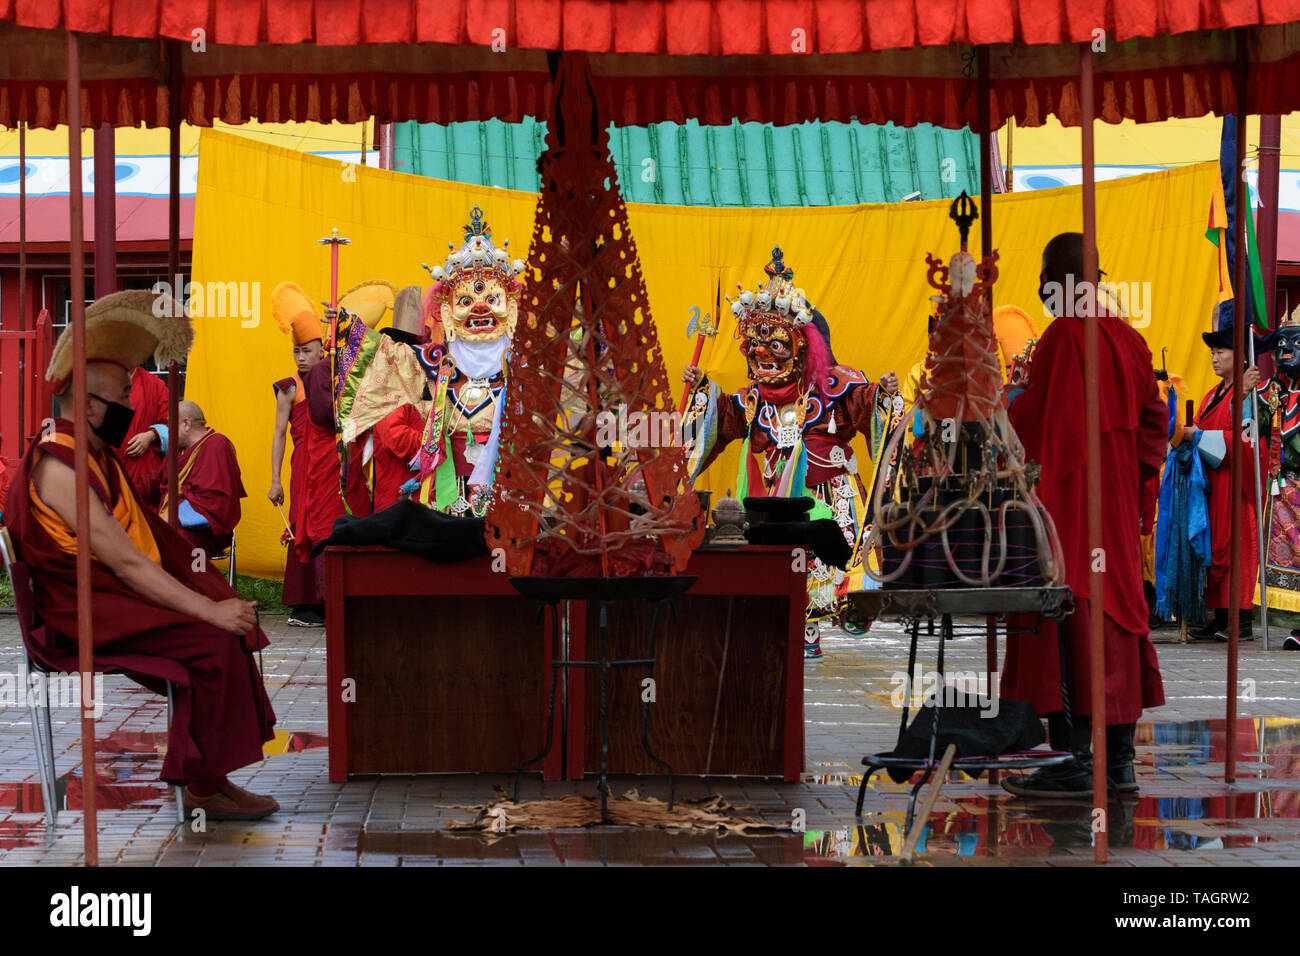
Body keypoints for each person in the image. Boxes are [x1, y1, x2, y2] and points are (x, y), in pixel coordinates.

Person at [5, 290, 277, 819]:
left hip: (101, 599)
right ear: (86, 405)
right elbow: (127, 561)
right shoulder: (60, 467)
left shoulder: (91, 456)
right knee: (213, 638)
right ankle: (204, 787)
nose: (131, 410)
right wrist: (210, 608)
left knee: (224, 633)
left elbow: (140, 546)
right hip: (76, 615)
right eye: (120, 399)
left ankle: (210, 779)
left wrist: (210, 597)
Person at [1000, 233, 1168, 798]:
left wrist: (1008, 402)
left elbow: (1030, 427)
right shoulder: (1131, 340)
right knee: (1119, 615)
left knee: (1070, 615)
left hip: (1068, 506)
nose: (1042, 290)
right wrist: (1126, 477)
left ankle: (1076, 759)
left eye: (1046, 278)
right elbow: (1155, 427)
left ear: (1059, 282)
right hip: (1113, 506)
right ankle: (1118, 763)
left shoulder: (1060, 339)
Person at [681, 246, 898, 659]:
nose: (762, 354)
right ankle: (794, 628)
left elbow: (869, 405)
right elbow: (724, 416)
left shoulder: (834, 385)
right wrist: (702, 392)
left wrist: (883, 394)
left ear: (800, 346)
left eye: (776, 346)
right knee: (780, 558)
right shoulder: (754, 398)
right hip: (774, 496)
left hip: (826, 493)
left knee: (823, 561)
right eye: (754, 347)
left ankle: (838, 612)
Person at [1191, 321, 1266, 641]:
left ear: (1241, 356)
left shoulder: (1251, 396)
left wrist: (1198, 438)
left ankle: (1243, 622)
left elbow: (1249, 442)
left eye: (1220, 351)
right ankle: (1220, 618)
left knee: (1239, 550)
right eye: (1212, 353)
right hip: (1212, 485)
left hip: (1237, 488)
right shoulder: (1212, 395)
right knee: (1216, 549)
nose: (1214, 358)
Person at [1256, 306, 1300, 651]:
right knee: (1289, 557)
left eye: (1294, 343)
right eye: (1281, 344)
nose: (1285, 351)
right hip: (1284, 487)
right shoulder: (1276, 389)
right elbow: (1253, 423)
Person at [157, 400, 245, 559]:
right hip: (171, 518)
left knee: (179, 539)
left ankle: (197, 581)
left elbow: (215, 502)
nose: (169, 432)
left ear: (185, 424)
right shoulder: (178, 452)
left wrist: (173, 517)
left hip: (206, 529)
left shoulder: (217, 445)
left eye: (171, 426)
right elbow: (156, 480)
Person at [113, 365, 169, 509]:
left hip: (145, 471)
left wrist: (151, 435)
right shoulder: (103, 381)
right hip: (112, 468)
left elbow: (173, 425)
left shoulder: (155, 384)